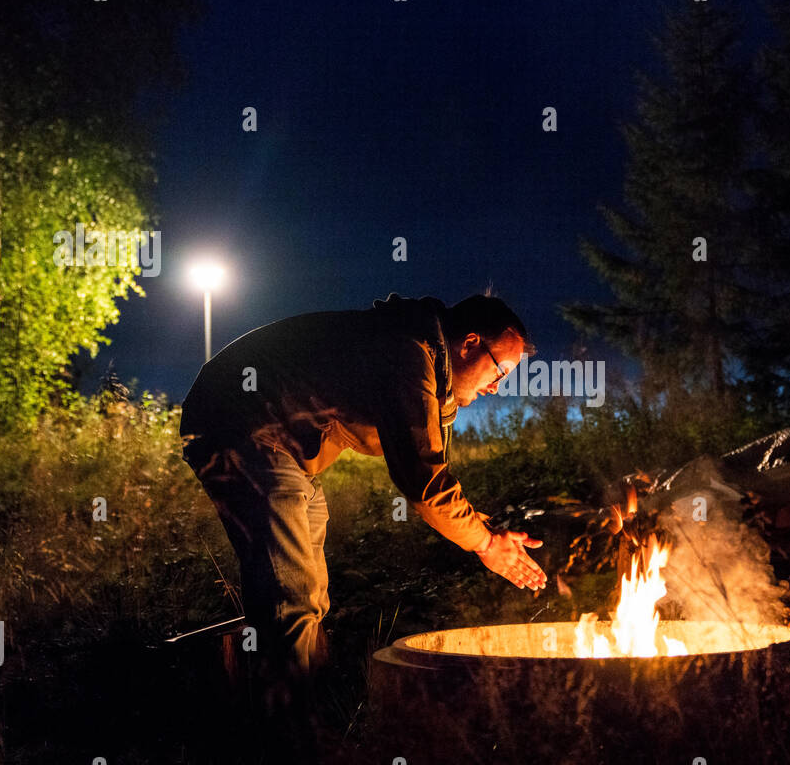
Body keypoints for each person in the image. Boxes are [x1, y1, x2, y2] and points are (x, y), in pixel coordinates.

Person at [178, 292, 547, 698]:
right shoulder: (406, 351)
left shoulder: (428, 364)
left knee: (312, 595)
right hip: (240, 424)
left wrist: (488, 533)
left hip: (289, 449)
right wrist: (486, 544)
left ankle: (305, 712)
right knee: (290, 595)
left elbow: (437, 472)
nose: (496, 388)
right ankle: (285, 739)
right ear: (470, 344)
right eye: (499, 371)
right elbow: (422, 483)